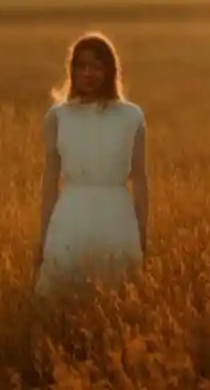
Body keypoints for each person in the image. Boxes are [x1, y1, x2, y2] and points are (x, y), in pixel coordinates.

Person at [33, 32, 148, 298]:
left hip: (117, 216)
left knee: (117, 293)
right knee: (63, 291)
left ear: (110, 70)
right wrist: (43, 236)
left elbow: (140, 179)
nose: (89, 73)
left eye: (97, 66)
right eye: (81, 66)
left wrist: (142, 233)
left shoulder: (131, 116)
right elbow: (49, 181)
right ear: (72, 71)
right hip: (70, 215)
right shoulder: (58, 117)